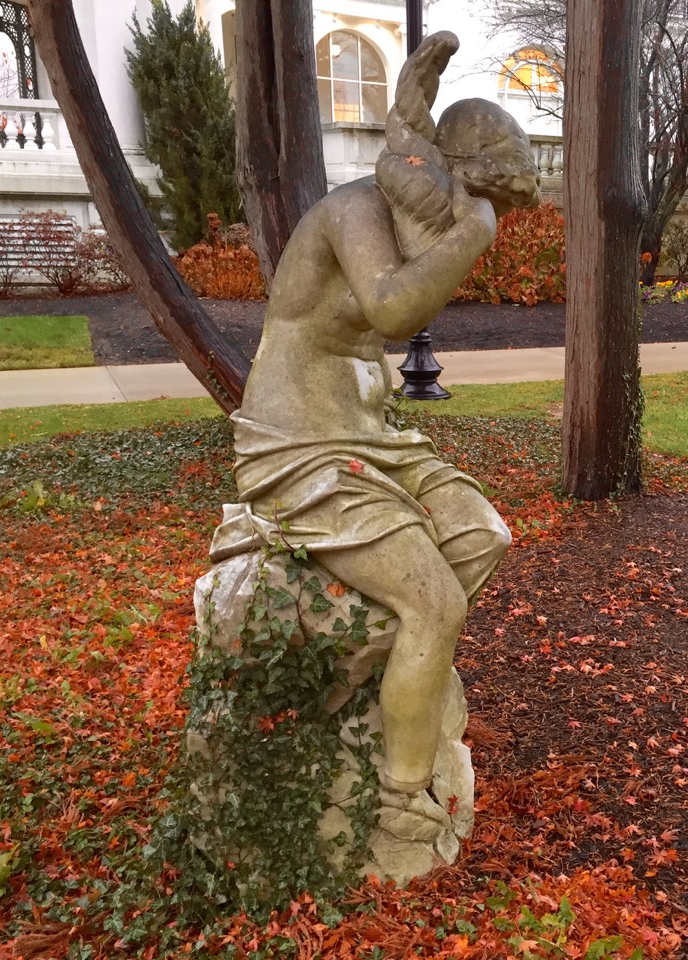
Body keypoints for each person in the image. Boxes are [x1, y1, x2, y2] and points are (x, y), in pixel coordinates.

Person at [210, 32, 540, 846]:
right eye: (477, 201)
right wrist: (472, 233)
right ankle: (398, 798)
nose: (480, 222)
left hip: (368, 435)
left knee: (482, 534)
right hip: (297, 442)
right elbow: (394, 309)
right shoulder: (354, 212)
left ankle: (369, 670)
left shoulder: (409, 219)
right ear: (441, 175)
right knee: (434, 601)